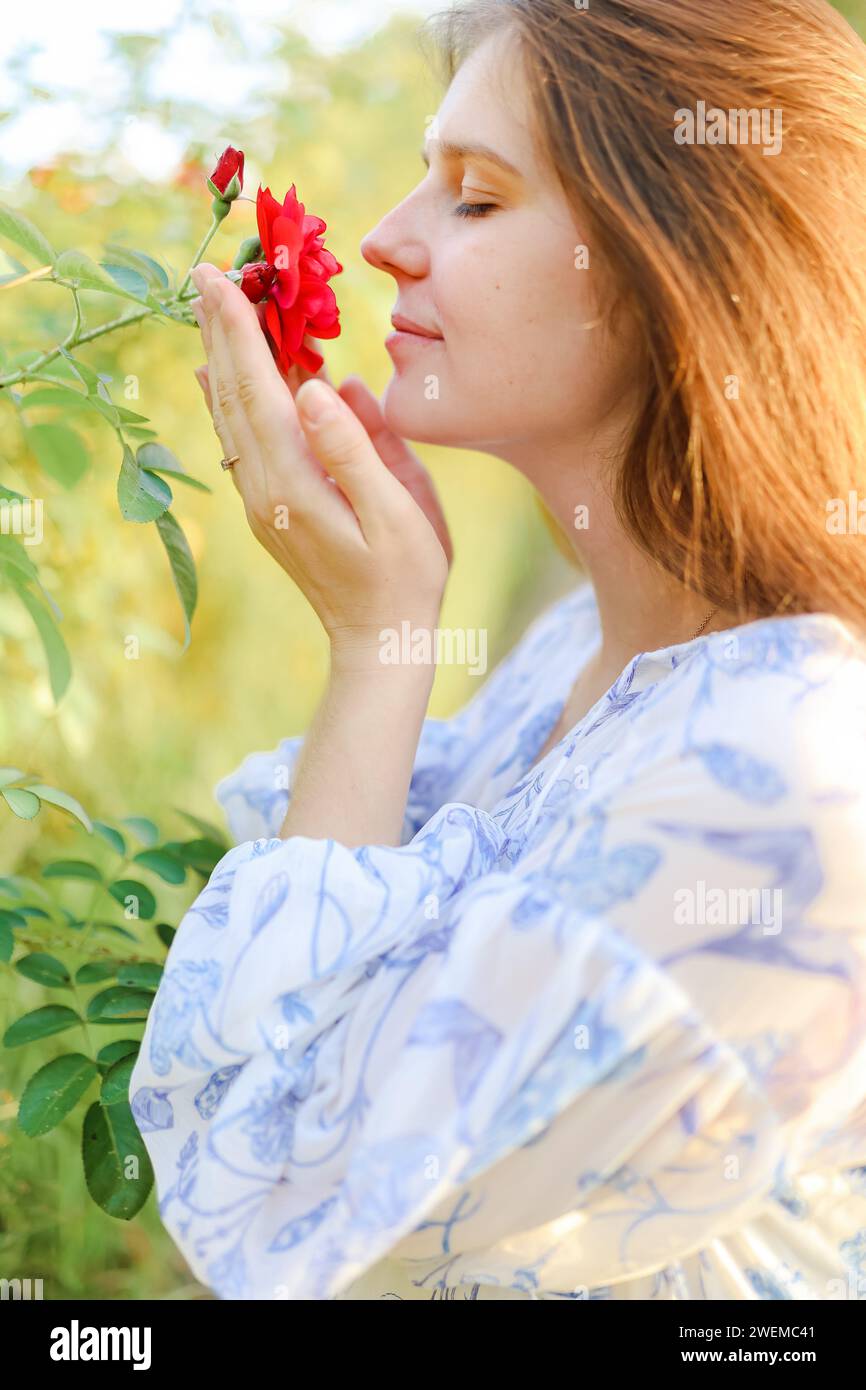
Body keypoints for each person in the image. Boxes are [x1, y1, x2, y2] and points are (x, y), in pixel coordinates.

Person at [130, 0, 866, 1300]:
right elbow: (370, 954)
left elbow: (296, 1190)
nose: (380, 240)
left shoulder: (787, 779)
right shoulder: (579, 648)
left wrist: (376, 644)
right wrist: (391, 622)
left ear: (666, 267)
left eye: (473, 196)